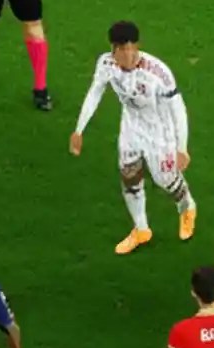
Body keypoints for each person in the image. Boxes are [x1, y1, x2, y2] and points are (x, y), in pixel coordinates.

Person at [70, 20, 196, 254]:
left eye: (132, 49)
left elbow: (178, 110)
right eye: (122, 50)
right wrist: (79, 130)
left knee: (165, 180)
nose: (128, 55)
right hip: (131, 128)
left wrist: (182, 147)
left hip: (160, 132)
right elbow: (95, 92)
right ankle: (141, 229)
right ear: (113, 49)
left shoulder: (158, 73)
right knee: (129, 176)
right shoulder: (106, 64)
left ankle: (187, 206)